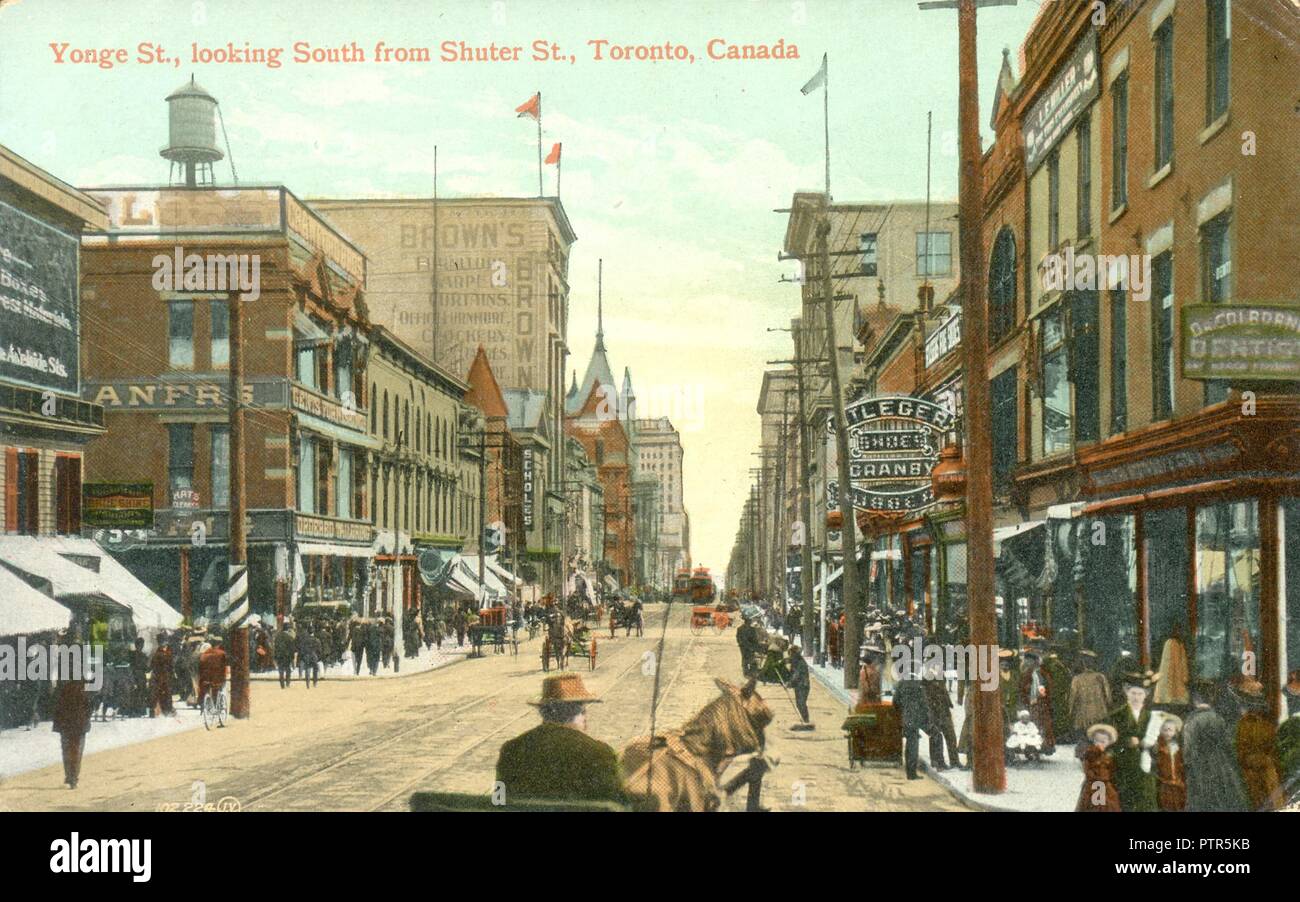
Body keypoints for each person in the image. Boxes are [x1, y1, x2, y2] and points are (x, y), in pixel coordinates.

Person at [494, 673, 626, 804]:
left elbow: (499, 800)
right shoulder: (599, 752)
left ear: (543, 711)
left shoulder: (512, 748)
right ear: (579, 712)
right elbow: (615, 803)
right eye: (583, 711)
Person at [1182, 682, 1249, 812]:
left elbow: (1188, 749)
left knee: (1201, 798)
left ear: (1195, 699)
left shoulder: (1191, 721)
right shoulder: (1218, 718)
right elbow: (1227, 744)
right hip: (1221, 764)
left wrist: (1187, 765)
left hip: (1200, 765)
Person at [1107, 674, 1157, 812]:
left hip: (1144, 765)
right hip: (1124, 765)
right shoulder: (1117, 715)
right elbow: (1110, 740)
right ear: (1126, 693)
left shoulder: (1151, 716)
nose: (1136, 697)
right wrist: (1125, 742)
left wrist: (1143, 743)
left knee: (1145, 800)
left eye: (1140, 693)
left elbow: (1155, 739)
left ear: (1146, 695)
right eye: (1133, 693)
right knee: (1125, 799)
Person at [1234, 680, 1282, 811]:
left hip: (1258, 775)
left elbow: (1240, 752)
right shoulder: (1262, 725)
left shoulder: (1250, 724)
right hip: (1260, 774)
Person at [52, 675, 92, 789]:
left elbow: (55, 702)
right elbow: (90, 704)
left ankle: (69, 776)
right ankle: (73, 777)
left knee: (66, 749)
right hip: (79, 721)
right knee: (77, 750)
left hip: (65, 721)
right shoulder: (83, 685)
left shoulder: (61, 683)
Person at [893, 665, 929, 780]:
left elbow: (895, 702)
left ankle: (908, 770)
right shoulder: (918, 685)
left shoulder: (901, 684)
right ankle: (911, 773)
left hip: (904, 718)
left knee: (908, 745)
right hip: (914, 719)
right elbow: (924, 704)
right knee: (913, 746)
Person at [922, 661, 960, 769]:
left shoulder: (940, 676)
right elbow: (926, 697)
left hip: (944, 710)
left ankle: (954, 761)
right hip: (934, 711)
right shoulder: (926, 679)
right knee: (936, 737)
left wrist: (949, 704)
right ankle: (937, 761)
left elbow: (944, 691)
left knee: (951, 736)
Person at [1076, 723, 1121, 812]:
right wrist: (1093, 776)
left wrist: (1109, 777)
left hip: (1105, 783)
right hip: (1095, 784)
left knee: (1108, 804)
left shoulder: (1108, 756)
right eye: (1097, 741)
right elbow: (1087, 767)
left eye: (1103, 742)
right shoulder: (1091, 754)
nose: (1099, 744)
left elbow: (1112, 769)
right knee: (1096, 804)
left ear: (1108, 743)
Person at [1019, 650, 1055, 755]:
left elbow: (1049, 688)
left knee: (1042, 726)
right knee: (1031, 726)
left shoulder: (1043, 674)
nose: (1029, 663)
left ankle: (1043, 747)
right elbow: (1021, 690)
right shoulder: (1026, 674)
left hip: (1042, 704)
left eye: (1032, 661)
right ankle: (1031, 749)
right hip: (1031, 705)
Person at [1069, 651, 1111, 738]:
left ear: (1083, 664)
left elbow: (1072, 698)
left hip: (1083, 715)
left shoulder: (1077, 679)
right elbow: (1108, 697)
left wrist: (1070, 712)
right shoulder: (1101, 677)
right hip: (1099, 714)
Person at [1151, 714, 1186, 812]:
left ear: (1175, 732)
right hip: (1165, 783)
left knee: (1179, 803)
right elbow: (1155, 765)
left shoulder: (1178, 748)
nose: (1167, 733)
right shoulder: (1158, 748)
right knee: (1166, 804)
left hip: (1178, 782)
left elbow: (1181, 764)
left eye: (1170, 730)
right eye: (1165, 730)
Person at [196, 639, 228, 715]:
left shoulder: (203, 655)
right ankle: (220, 705)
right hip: (218, 678)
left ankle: (203, 705)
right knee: (220, 689)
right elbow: (225, 666)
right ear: (219, 645)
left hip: (205, 678)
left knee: (204, 689)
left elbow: (200, 668)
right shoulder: (222, 653)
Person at [786, 644, 811, 726]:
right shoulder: (796, 660)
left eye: (791, 653)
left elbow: (796, 675)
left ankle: (806, 721)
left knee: (801, 703)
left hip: (803, 685)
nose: (790, 655)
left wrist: (790, 683)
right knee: (799, 704)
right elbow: (788, 661)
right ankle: (805, 720)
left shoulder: (800, 662)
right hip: (799, 686)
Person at [149, 636, 174, 716]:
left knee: (156, 693)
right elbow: (170, 665)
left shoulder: (155, 652)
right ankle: (167, 710)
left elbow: (151, 664)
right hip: (164, 675)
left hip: (157, 675)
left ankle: (153, 710)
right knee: (166, 692)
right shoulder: (164, 653)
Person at [128, 637, 149, 717]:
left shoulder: (131, 654)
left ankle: (133, 711)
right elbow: (146, 668)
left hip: (133, 675)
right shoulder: (143, 656)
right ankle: (139, 711)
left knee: (134, 693)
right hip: (140, 676)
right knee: (140, 693)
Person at [273, 621, 296, 689]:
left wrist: (275, 656)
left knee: (281, 670)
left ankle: (282, 684)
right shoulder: (290, 637)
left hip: (279, 655)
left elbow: (275, 647)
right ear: (288, 629)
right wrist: (292, 657)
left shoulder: (278, 636)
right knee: (288, 669)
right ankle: (287, 683)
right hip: (287, 656)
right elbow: (292, 648)